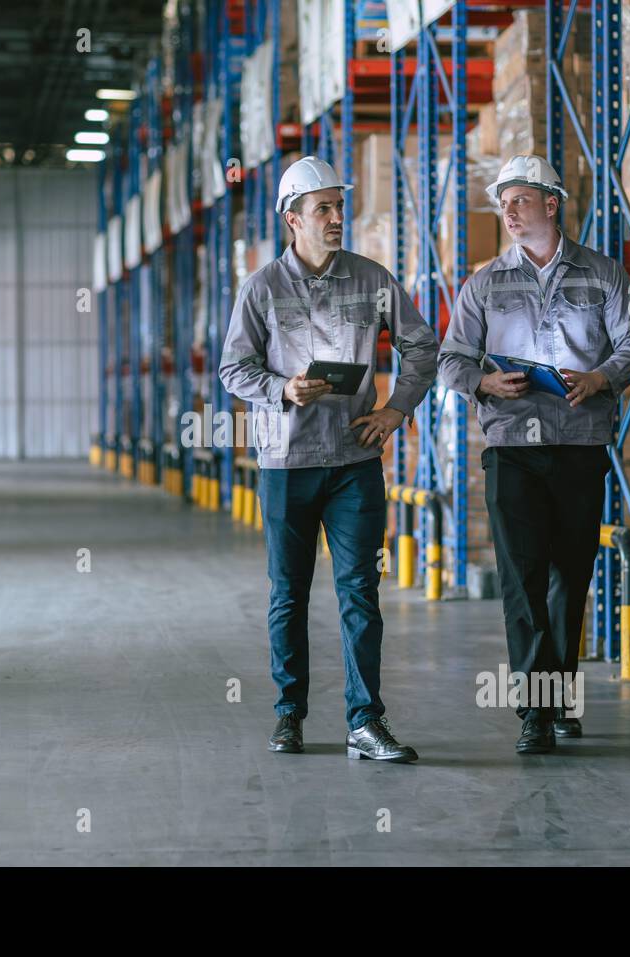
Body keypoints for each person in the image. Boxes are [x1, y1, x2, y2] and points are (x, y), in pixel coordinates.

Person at [218, 156, 437, 762]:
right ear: (294, 219)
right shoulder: (260, 288)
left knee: (360, 592)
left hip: (353, 460)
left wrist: (396, 410)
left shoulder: (372, 280)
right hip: (286, 461)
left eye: (340, 206)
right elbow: (233, 367)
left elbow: (423, 344)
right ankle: (290, 713)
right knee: (288, 594)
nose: (338, 217)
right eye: (325, 209)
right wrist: (282, 388)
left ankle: (365, 721)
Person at [436, 154, 630, 755]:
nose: (506, 210)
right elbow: (451, 358)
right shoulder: (482, 284)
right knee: (522, 578)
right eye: (501, 201)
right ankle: (535, 709)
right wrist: (484, 382)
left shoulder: (606, 276)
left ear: (550, 204)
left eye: (519, 200)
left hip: (580, 444)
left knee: (570, 577)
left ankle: (558, 698)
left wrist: (601, 378)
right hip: (512, 449)